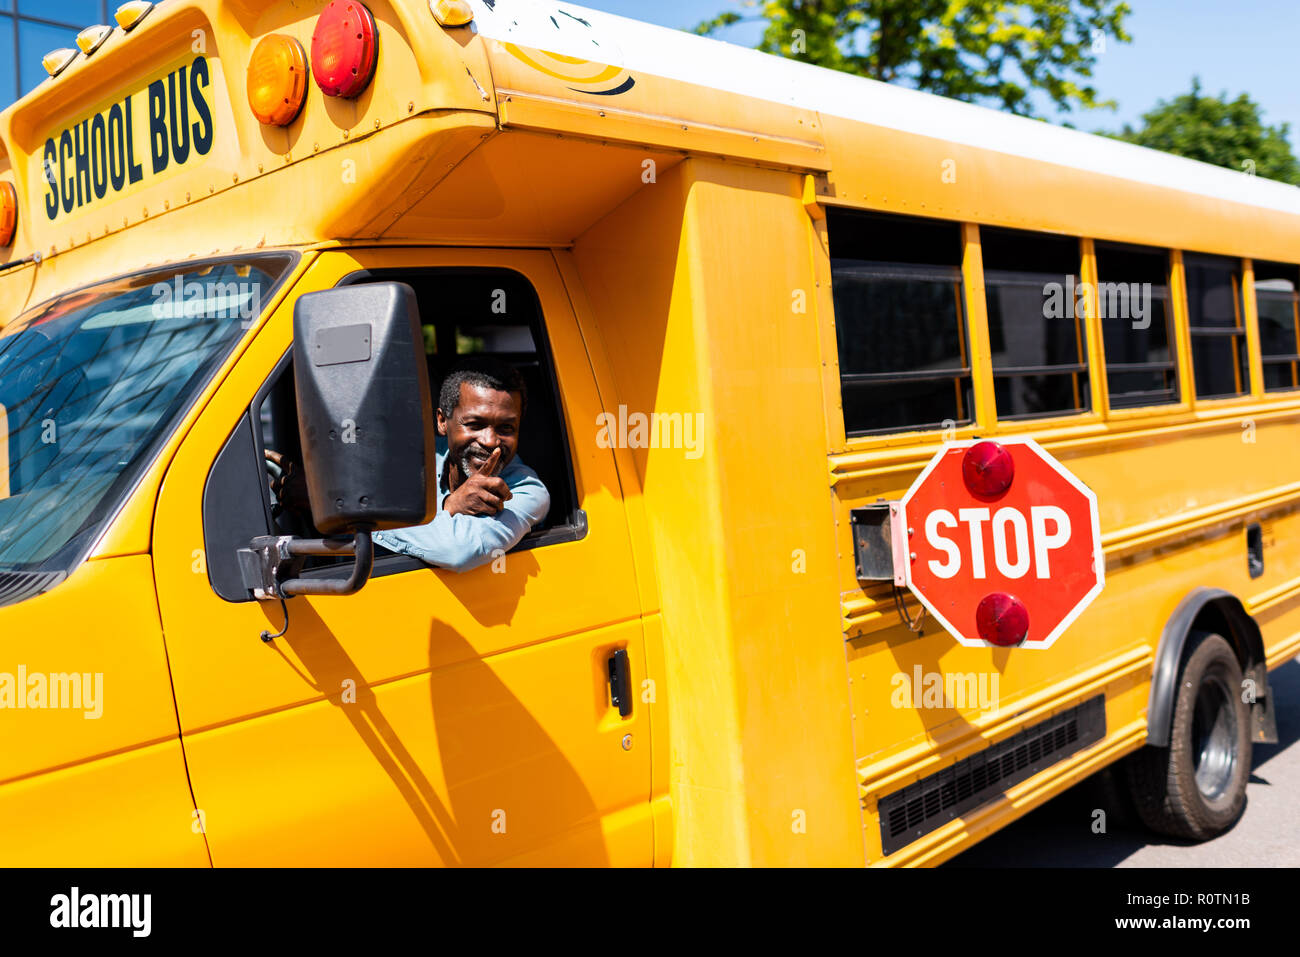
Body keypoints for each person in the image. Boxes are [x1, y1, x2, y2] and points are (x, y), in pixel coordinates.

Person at [368, 359, 550, 573]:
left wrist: (369, 523)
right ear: (442, 422)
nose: (490, 441)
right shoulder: (413, 457)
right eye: (475, 425)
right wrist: (448, 506)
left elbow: (458, 551)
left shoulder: (526, 490)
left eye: (506, 428)